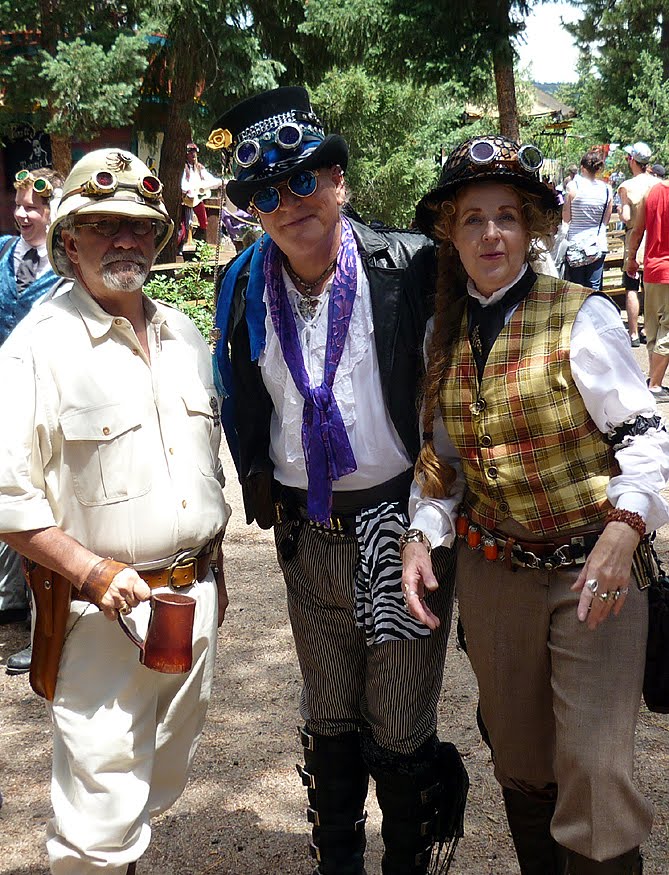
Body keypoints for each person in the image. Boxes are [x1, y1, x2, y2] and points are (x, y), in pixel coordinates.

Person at [210, 86, 461, 875]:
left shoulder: (409, 266)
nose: (288, 204)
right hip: (306, 533)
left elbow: (448, 410)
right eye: (265, 194)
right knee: (328, 718)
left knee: (400, 722)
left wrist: (428, 522)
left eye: (302, 180)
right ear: (252, 211)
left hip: (400, 528)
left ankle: (407, 862)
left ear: (338, 181)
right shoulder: (243, 283)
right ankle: (338, 862)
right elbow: (235, 398)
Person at [402, 135, 669, 874]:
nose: (491, 233)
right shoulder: (441, 333)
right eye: (473, 219)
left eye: (506, 217)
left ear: (531, 228)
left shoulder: (582, 316)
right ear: (450, 235)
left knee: (594, 763)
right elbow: (446, 465)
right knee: (520, 757)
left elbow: (646, 437)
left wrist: (624, 528)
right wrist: (422, 534)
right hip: (494, 574)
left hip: (593, 571)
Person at [0, 148, 231, 874]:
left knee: (154, 783)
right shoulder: (37, 348)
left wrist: (210, 578)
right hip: (101, 616)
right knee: (97, 820)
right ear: (69, 241)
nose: (125, 239)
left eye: (138, 226)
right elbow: (7, 498)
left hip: (191, 604)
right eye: (103, 226)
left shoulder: (184, 337)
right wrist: (93, 571)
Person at [1, 167, 66, 670]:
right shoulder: (3, 254)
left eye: (34, 207)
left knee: (40, 503)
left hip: (47, 398)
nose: (23, 214)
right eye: (19, 204)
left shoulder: (67, 268)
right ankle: (10, 600)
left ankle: (44, 627)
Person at [626, 169, 669, 402]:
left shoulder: (651, 193)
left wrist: (631, 258)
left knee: (653, 327)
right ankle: (655, 385)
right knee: (667, 330)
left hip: (652, 270)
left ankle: (653, 380)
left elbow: (637, 230)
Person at [618, 142, 659, 347]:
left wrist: (620, 211)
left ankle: (633, 333)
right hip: (656, 241)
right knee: (651, 288)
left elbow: (626, 217)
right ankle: (649, 329)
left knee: (632, 287)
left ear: (632, 160)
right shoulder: (658, 184)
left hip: (635, 240)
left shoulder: (627, 186)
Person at [562, 148, 613, 290]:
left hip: (575, 244)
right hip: (597, 244)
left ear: (582, 168)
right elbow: (606, 219)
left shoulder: (573, 186)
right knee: (594, 287)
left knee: (576, 287)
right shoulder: (606, 189)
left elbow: (566, 218)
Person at [178, 142, 222, 247]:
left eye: (195, 152)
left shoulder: (199, 168)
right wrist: (187, 190)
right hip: (185, 200)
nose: (193, 155)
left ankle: (199, 244)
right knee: (183, 225)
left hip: (196, 199)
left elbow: (210, 180)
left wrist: (221, 182)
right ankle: (180, 246)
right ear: (186, 154)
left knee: (203, 222)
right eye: (190, 152)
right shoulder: (184, 168)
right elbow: (183, 184)